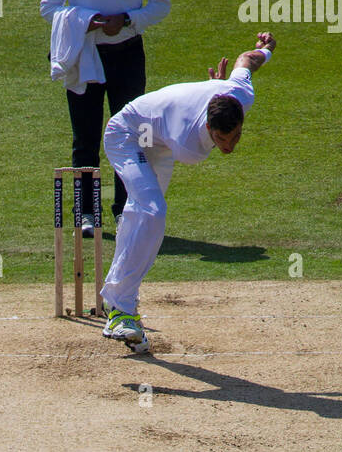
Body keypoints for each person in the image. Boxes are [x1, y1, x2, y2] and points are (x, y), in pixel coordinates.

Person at [99, 32, 277, 348]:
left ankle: (115, 299)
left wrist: (266, 49)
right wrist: (210, 90)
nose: (230, 146)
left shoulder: (239, 93)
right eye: (222, 140)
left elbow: (246, 60)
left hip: (158, 136)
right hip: (128, 134)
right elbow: (184, 124)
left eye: (235, 137)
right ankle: (121, 309)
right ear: (209, 129)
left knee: (138, 214)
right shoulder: (189, 146)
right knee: (151, 211)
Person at [41, 0, 170, 233]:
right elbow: (49, 6)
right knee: (85, 137)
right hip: (84, 56)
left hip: (126, 55)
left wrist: (126, 20)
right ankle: (85, 212)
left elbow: (160, 4)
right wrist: (82, 22)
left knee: (129, 133)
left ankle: (127, 207)